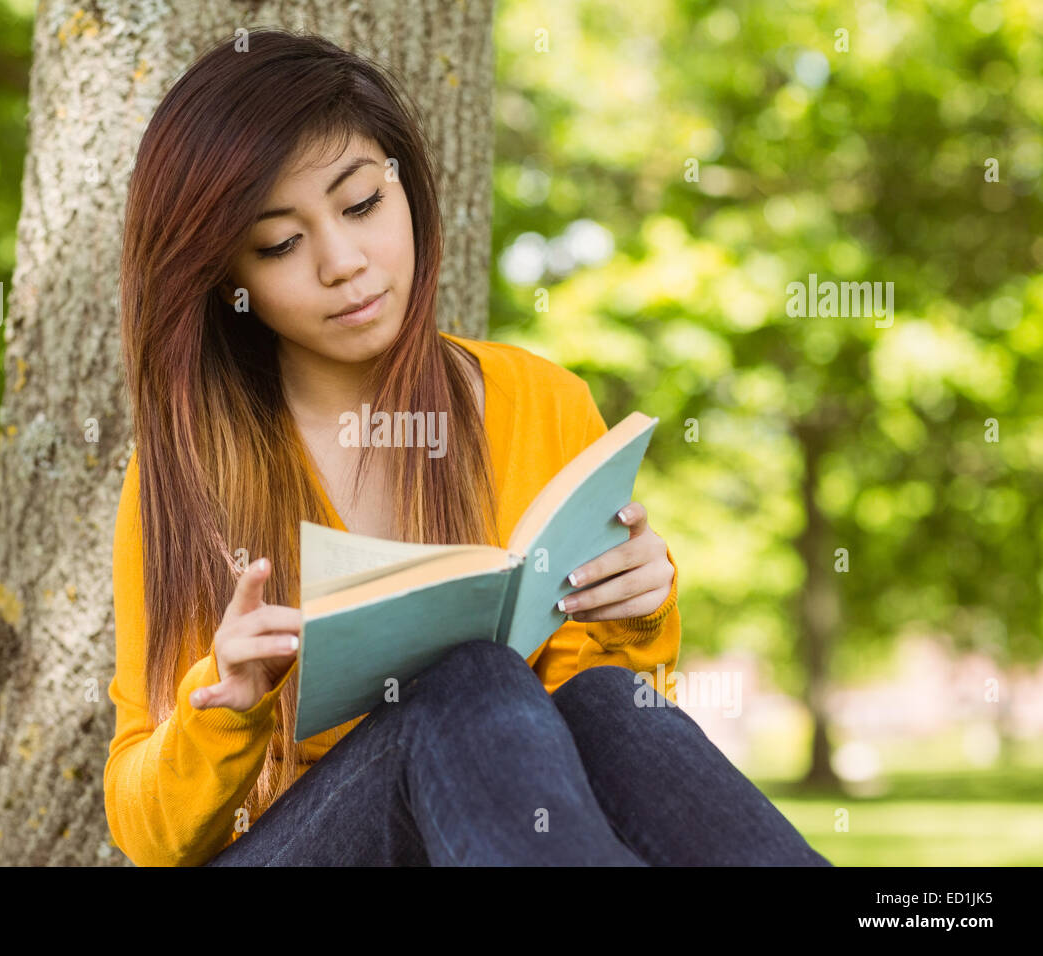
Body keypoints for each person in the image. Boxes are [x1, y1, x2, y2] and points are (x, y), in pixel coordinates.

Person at [104, 28, 831, 867]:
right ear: (228, 279)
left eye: (362, 205)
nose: (342, 263)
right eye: (279, 244)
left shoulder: (540, 401)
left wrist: (635, 614)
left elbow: (591, 749)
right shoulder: (194, 470)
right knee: (468, 677)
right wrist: (222, 707)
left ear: (407, 187)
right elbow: (146, 833)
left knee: (601, 701)